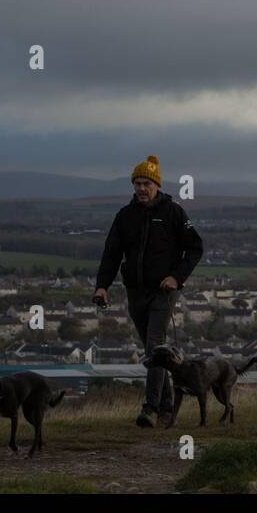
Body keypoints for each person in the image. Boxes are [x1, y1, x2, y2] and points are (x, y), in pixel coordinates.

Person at [93, 155, 204, 428]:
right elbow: (111, 254)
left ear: (157, 185)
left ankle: (150, 409)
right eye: (137, 183)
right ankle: (167, 406)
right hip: (135, 292)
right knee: (153, 352)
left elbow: (195, 247)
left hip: (163, 293)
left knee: (155, 347)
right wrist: (102, 286)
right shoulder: (125, 216)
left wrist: (177, 277)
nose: (142, 189)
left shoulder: (173, 212)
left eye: (147, 184)